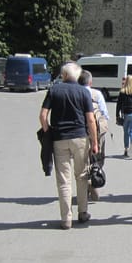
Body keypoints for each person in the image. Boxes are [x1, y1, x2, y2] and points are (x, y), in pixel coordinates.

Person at [39, 62, 99, 229]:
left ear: (64, 75)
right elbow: (91, 119)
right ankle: (83, 212)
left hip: (59, 138)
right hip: (80, 137)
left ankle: (66, 218)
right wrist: (94, 142)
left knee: (63, 180)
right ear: (78, 76)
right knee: (81, 176)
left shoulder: (54, 90)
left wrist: (48, 131)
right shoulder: (83, 92)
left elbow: (43, 115)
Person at [79, 69, 109, 201]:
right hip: (97, 130)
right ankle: (95, 179)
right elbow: (105, 114)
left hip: (80, 130)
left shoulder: (76, 93)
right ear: (90, 82)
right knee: (98, 158)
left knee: (83, 159)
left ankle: (85, 186)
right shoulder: (97, 94)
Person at [116, 75, 132, 158]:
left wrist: (117, 115)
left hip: (126, 114)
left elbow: (119, 104)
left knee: (126, 132)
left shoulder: (123, 92)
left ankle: (126, 149)